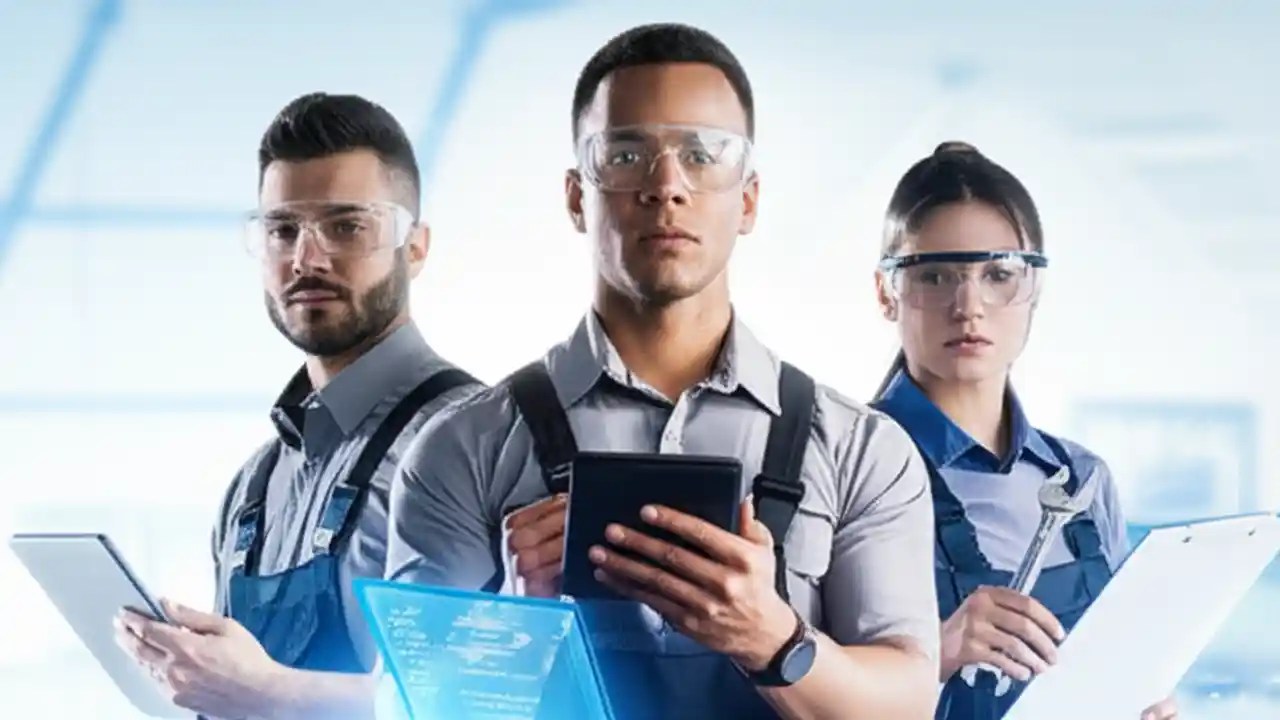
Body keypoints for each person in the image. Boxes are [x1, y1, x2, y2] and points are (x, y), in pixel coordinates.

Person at [385, 22, 940, 720]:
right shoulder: (459, 448)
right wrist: (518, 617)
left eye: (704, 155)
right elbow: (415, 707)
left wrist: (772, 637)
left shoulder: (865, 452)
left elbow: (908, 704)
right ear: (575, 197)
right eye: (626, 154)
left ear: (748, 200)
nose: (666, 186)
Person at [114, 92, 483, 720]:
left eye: (346, 226)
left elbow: (490, 703)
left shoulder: (476, 442)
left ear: (415, 247)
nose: (307, 259)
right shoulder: (252, 485)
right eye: (283, 230)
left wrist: (268, 691)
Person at [869, 141, 1178, 720]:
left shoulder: (1083, 478)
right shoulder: (844, 465)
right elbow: (792, 691)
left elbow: (1118, 668)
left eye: (999, 275)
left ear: (1034, 290)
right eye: (934, 275)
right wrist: (936, 652)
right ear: (887, 292)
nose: (969, 305)